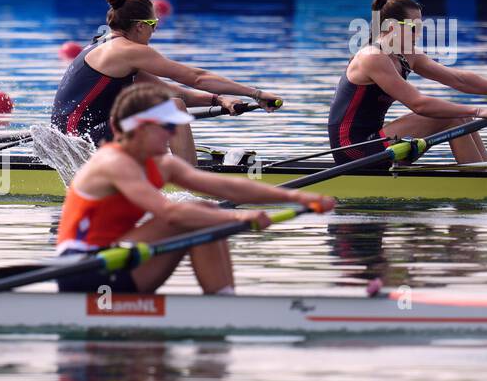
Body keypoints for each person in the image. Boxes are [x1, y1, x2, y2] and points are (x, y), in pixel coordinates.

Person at [56, 84, 334, 294]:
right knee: (195, 212)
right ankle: (222, 308)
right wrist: (236, 218)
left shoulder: (159, 163)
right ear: (139, 129)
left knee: (202, 210)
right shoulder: (114, 162)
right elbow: (169, 213)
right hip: (83, 270)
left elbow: (227, 187)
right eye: (166, 127)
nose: (172, 134)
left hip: (118, 263)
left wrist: (295, 197)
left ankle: (224, 303)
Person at [50, 0, 283, 163]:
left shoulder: (109, 48)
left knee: (169, 104)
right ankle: (189, 185)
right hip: (77, 141)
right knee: (172, 109)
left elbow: (172, 91)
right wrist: (256, 93)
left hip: (81, 134)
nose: (154, 31)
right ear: (140, 26)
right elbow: (196, 77)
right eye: (154, 24)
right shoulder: (127, 51)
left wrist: (219, 99)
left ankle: (173, 169)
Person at [329, 0, 487, 164]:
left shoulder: (407, 54)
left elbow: (458, 79)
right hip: (353, 151)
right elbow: (419, 104)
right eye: (415, 27)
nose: (420, 33)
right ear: (393, 27)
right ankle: (478, 182)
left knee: (460, 116)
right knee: (451, 116)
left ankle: (484, 171)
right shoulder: (372, 57)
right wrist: (479, 110)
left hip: (378, 143)